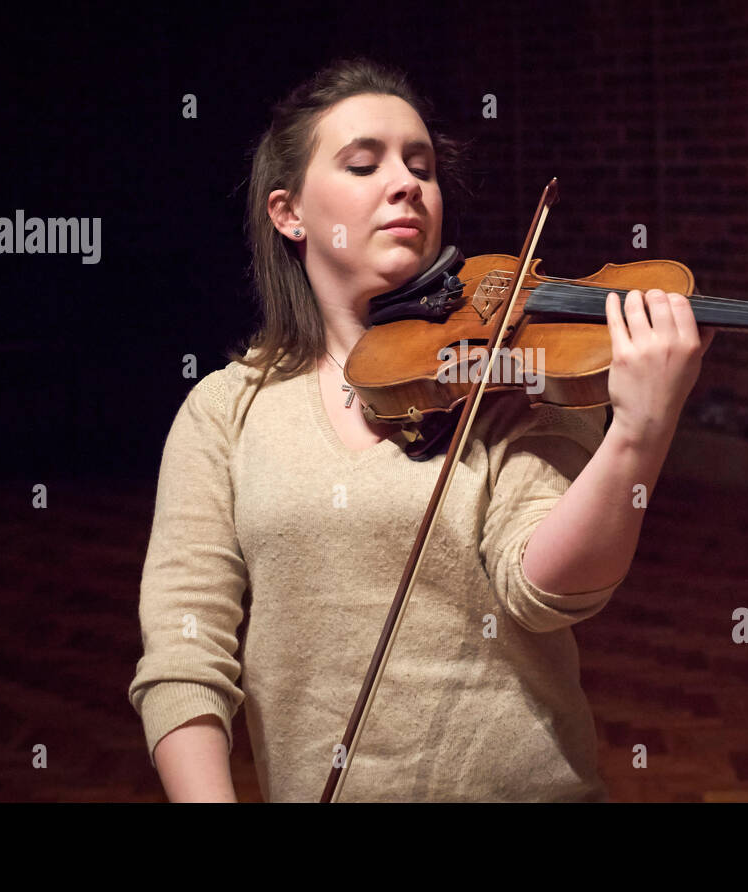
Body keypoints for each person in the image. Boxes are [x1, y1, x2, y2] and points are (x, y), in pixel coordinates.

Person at [128, 56, 714, 801]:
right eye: (364, 164)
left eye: (422, 166)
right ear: (289, 213)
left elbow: (547, 589)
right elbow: (185, 655)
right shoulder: (225, 412)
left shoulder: (513, 378)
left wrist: (640, 433)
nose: (406, 183)